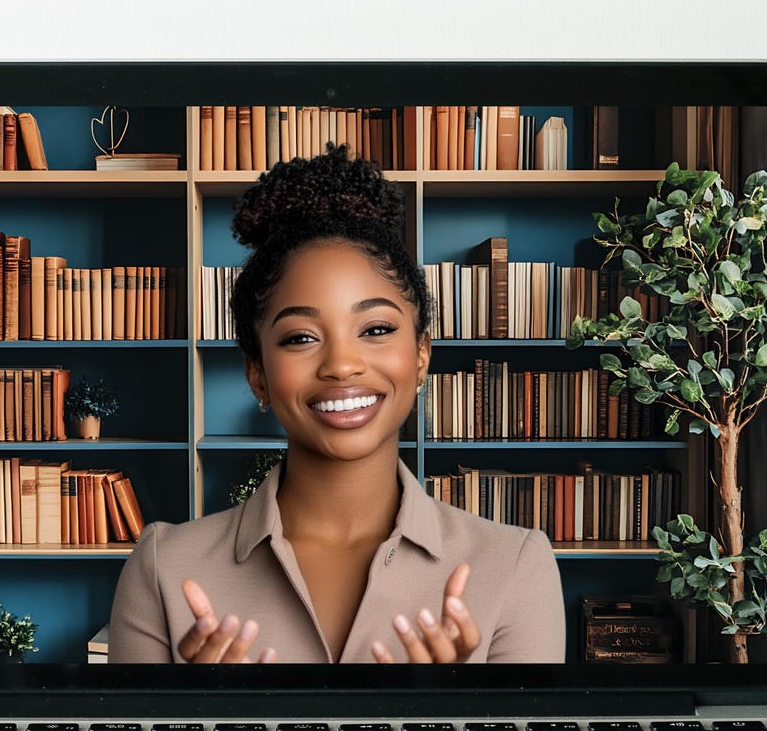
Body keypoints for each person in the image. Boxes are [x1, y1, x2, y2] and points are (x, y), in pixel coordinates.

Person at [108, 146, 565, 663]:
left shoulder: (516, 565)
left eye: (375, 329)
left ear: (420, 356)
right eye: (300, 337)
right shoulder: (163, 567)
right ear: (257, 373)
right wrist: (205, 723)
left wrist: (450, 718)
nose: (342, 365)